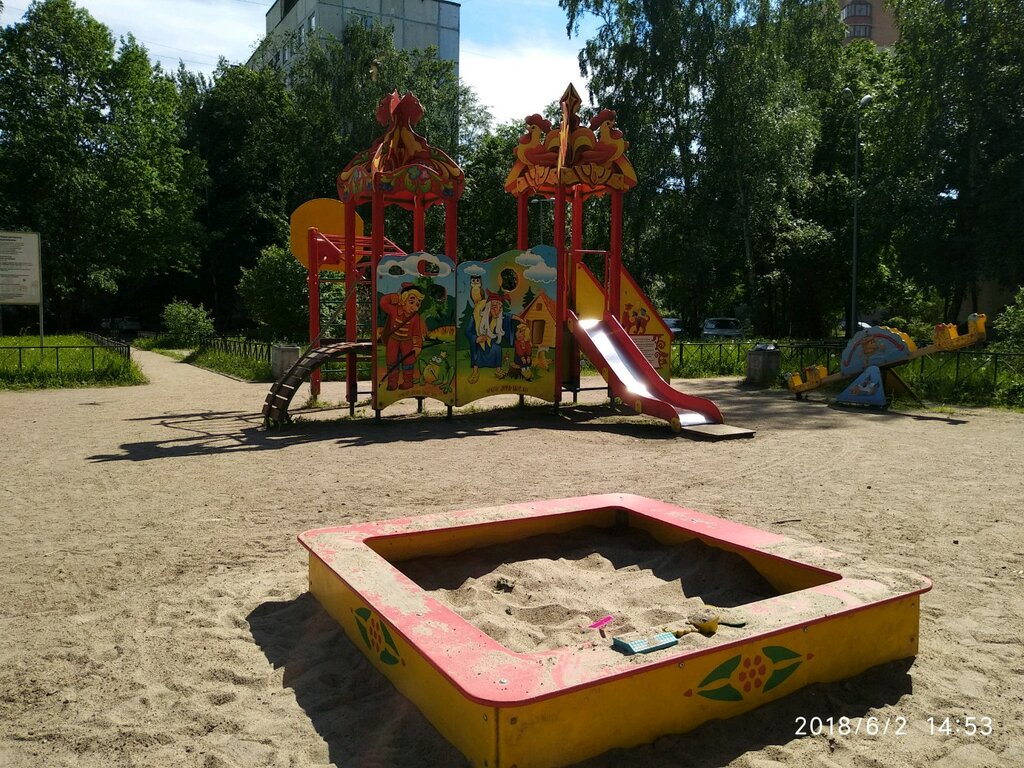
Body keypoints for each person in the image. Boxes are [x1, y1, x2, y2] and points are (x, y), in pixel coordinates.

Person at [379, 283, 425, 390]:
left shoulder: (415, 317)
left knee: (408, 362)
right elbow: (383, 302)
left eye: (417, 304)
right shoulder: (394, 310)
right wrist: (395, 297)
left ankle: (408, 382)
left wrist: (417, 346)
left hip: (407, 342)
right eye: (411, 302)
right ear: (403, 300)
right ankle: (392, 383)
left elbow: (417, 333)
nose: (414, 306)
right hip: (393, 341)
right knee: (391, 361)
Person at [466, 290, 513, 383]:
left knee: (497, 348)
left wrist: (518, 318)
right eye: (495, 308)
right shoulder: (476, 317)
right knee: (477, 349)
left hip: (492, 342)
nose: (497, 311)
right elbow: (468, 331)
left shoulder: (498, 319)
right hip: (480, 342)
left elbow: (507, 317)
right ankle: (475, 372)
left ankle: (498, 370)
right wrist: (476, 338)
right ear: (488, 308)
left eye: (499, 309)